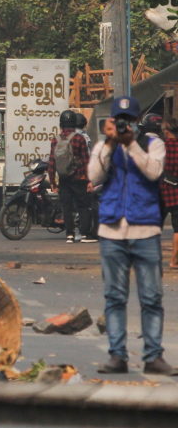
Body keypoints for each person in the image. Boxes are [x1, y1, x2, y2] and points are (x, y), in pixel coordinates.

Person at [87, 96, 175, 375]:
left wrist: (131, 144)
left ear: (137, 121)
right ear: (111, 121)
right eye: (119, 119)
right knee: (114, 297)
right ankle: (117, 355)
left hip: (146, 229)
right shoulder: (104, 146)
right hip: (112, 230)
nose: (125, 124)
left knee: (151, 297)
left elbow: (153, 172)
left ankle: (153, 356)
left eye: (129, 120)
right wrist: (112, 144)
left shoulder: (153, 144)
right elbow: (95, 176)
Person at [49, 110, 95, 243]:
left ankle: (69, 235)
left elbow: (52, 162)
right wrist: (89, 180)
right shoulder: (79, 138)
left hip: (64, 179)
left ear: (61, 124)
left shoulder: (55, 140)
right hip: (79, 178)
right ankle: (84, 234)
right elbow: (86, 160)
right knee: (83, 206)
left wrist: (52, 182)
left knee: (67, 207)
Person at [162, 118, 178, 269]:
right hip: (177, 192)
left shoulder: (162, 147)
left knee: (153, 226)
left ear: (167, 132)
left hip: (161, 190)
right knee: (177, 228)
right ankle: (174, 260)